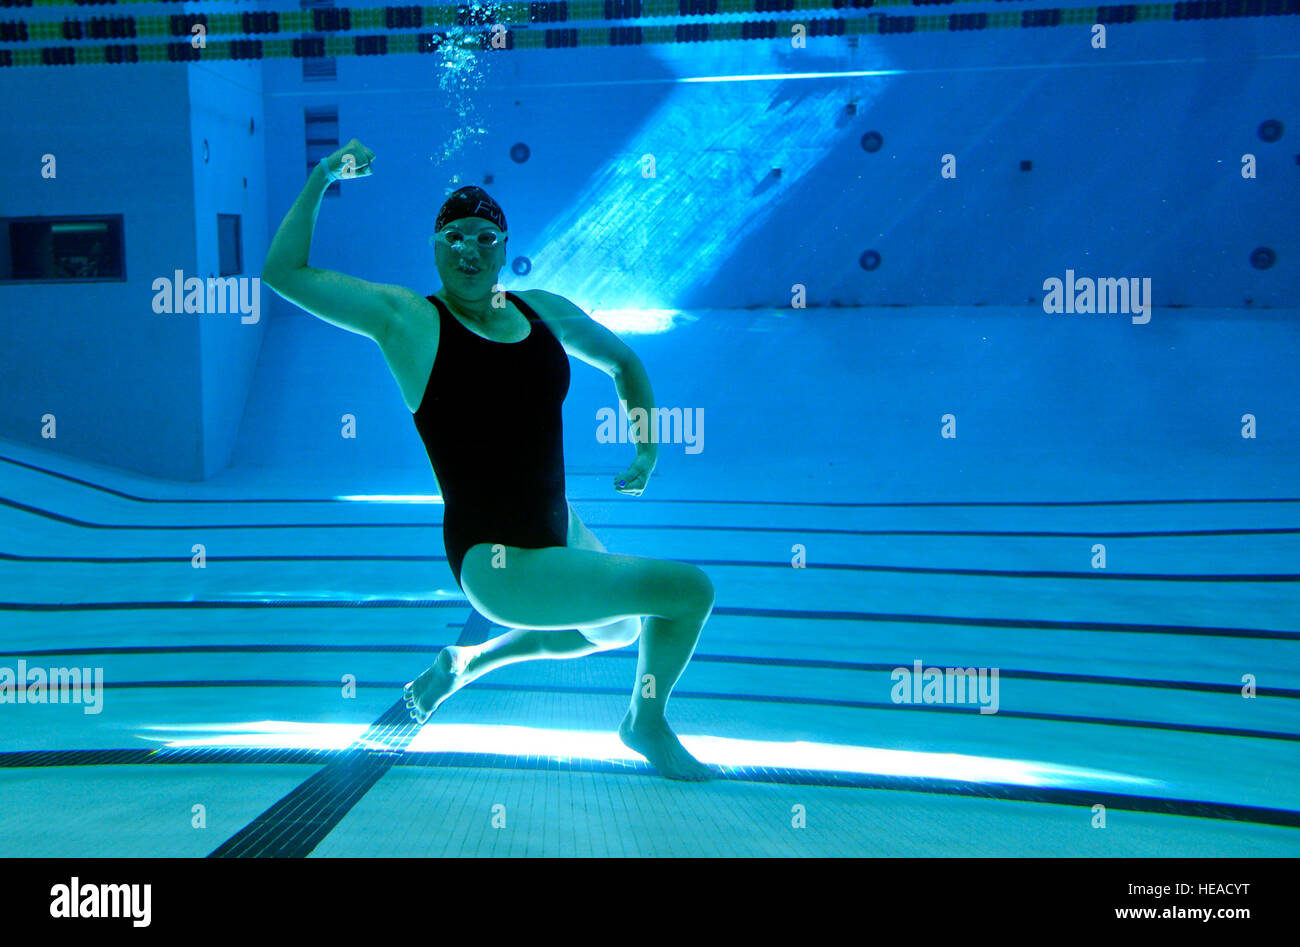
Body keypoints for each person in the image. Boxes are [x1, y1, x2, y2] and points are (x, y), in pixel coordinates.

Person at [261, 139, 715, 780]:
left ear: (504, 246)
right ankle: (646, 723)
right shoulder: (408, 321)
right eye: (452, 237)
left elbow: (624, 362)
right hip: (496, 559)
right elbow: (284, 275)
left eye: (482, 236)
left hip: (558, 526)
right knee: (687, 591)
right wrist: (320, 177)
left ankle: (467, 663)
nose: (468, 249)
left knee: (618, 632)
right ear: (434, 247)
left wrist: (646, 446)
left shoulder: (544, 311)